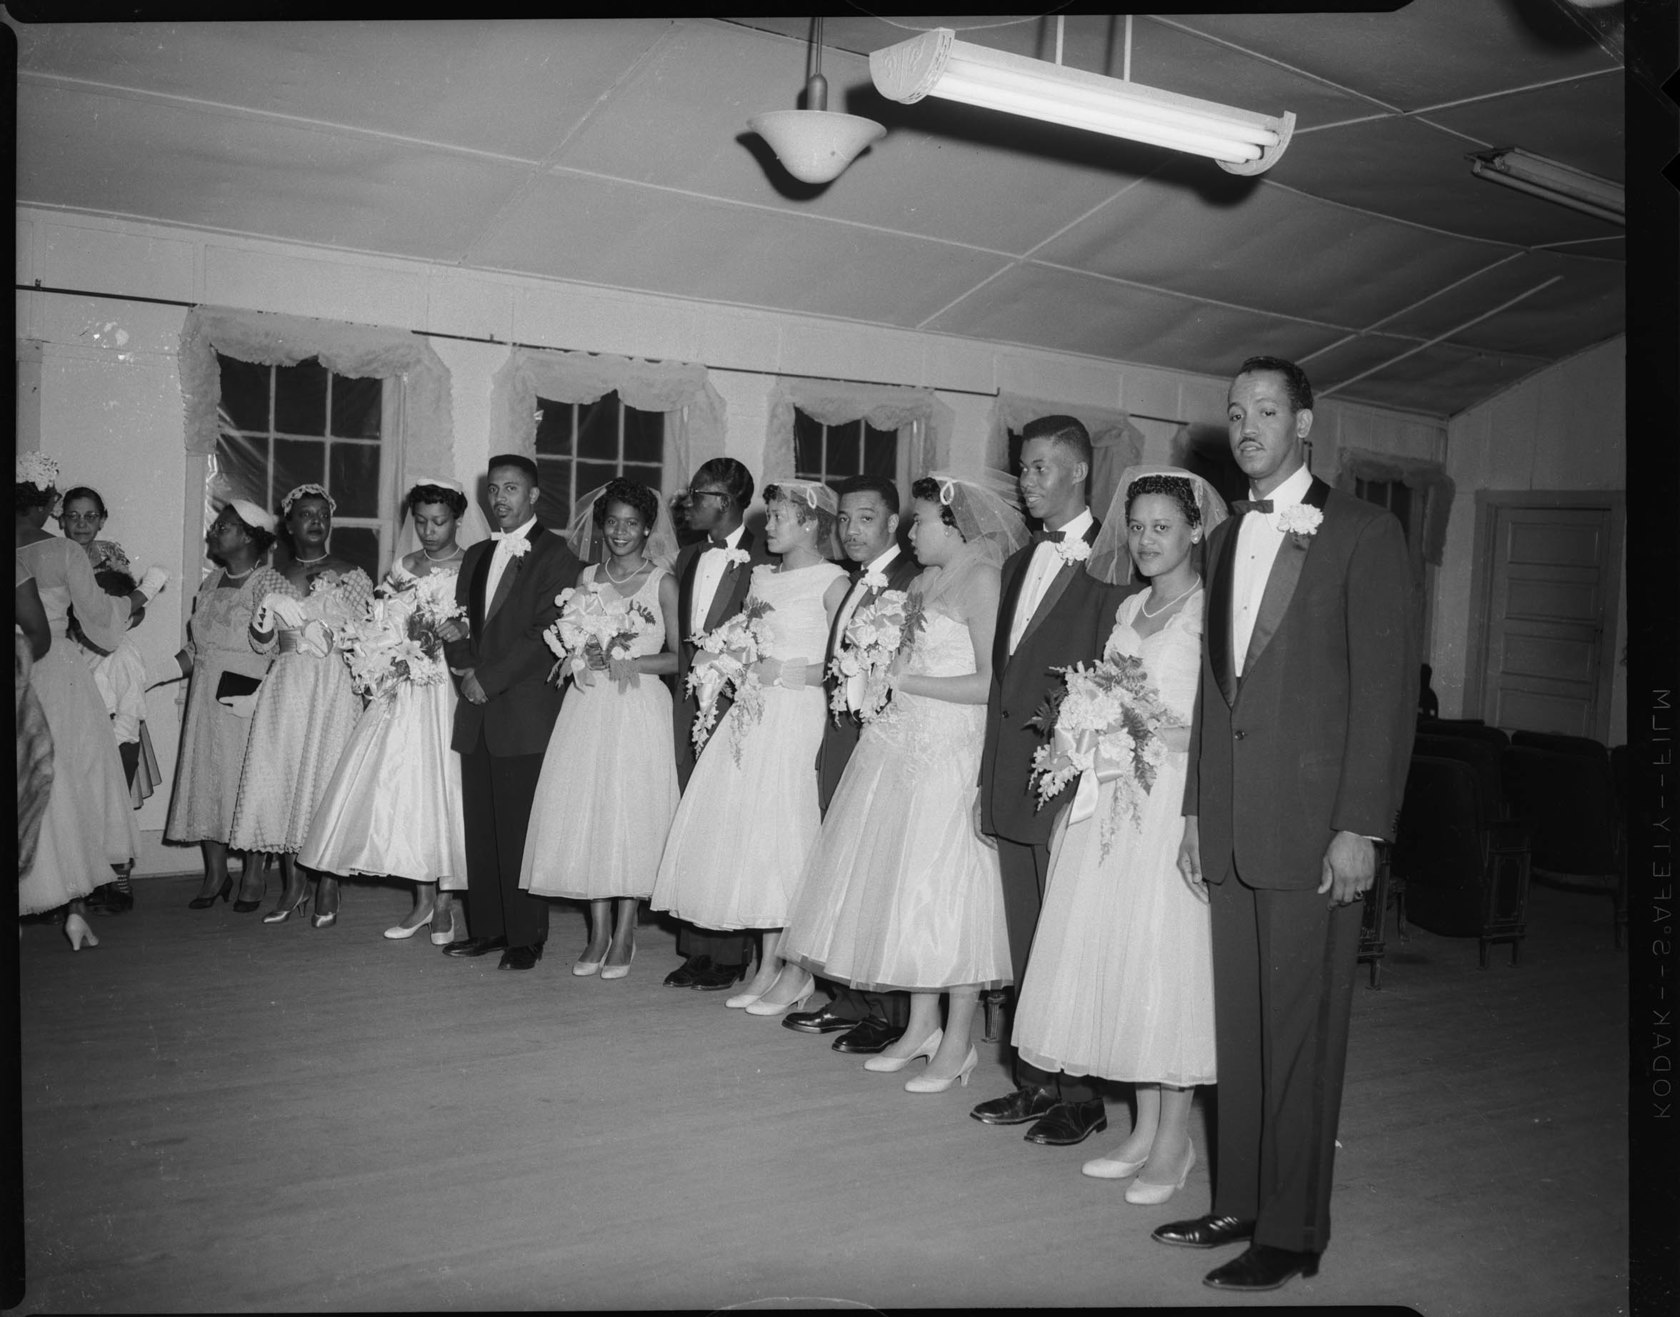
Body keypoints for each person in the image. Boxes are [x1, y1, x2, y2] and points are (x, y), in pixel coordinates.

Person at [1162, 356, 1414, 1292]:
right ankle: (1242, 1198)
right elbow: (1210, 688)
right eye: (1236, 412)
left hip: (1315, 832)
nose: (1249, 425)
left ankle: (1295, 1228)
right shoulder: (1224, 540)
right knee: (1243, 1028)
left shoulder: (1364, 531)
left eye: (1267, 409)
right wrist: (1194, 807)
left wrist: (1361, 826)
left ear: (1306, 423)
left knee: (1303, 1034)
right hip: (1229, 824)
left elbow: (1385, 697)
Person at [1012, 468, 1229, 1204]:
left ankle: (1176, 1141)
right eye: (1136, 526)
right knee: (1121, 957)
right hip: (1113, 799)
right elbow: (1104, 686)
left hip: (1171, 800)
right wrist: (1086, 723)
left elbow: (1226, 725)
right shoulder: (1130, 605)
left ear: (1196, 530)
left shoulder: (1212, 612)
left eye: (1162, 526)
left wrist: (1150, 728)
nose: (1144, 540)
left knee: (1165, 962)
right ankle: (1139, 1127)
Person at [782, 474, 1025, 1091]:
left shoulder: (982, 580)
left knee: (949, 896)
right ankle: (922, 1026)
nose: (911, 533)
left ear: (955, 524)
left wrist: (905, 682)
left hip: (951, 749)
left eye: (919, 522)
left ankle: (960, 1040)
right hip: (902, 743)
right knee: (904, 888)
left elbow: (991, 684)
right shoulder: (918, 584)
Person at [971, 416, 1128, 1147]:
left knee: (1068, 942)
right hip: (1010, 776)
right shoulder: (1014, 563)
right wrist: (985, 780)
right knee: (1026, 936)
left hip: (1069, 783)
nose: (1026, 482)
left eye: (1039, 469)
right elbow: (1005, 682)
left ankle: (1082, 1094)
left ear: (1077, 472)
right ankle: (1034, 1081)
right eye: (1024, 469)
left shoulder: (1115, 563)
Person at [651, 480, 848, 1013]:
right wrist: (729, 658)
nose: (771, 524)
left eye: (781, 515)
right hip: (751, 712)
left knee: (784, 831)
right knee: (751, 833)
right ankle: (766, 963)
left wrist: (784, 672)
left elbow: (847, 667)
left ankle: (795, 969)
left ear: (810, 523)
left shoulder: (832, 581)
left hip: (795, 713)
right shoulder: (761, 575)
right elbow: (748, 638)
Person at [298, 480, 489, 942]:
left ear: (457, 520)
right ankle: (423, 899)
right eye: (420, 521)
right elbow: (381, 621)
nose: (428, 530)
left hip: (448, 686)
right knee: (410, 790)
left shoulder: (472, 566)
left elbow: (486, 622)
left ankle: (446, 903)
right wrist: (388, 653)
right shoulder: (403, 566)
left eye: (438, 522)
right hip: (405, 685)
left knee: (445, 788)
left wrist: (460, 627)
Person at [782, 474, 921, 1055]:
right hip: (842, 736)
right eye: (843, 519)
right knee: (843, 864)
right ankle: (851, 994)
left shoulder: (910, 582)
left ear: (893, 522)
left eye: (865, 518)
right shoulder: (858, 583)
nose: (852, 529)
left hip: (884, 741)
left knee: (874, 868)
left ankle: (886, 1010)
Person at [520, 480, 680, 979]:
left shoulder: (663, 582)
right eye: (612, 521)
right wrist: (581, 653)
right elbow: (576, 639)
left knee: (630, 811)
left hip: (638, 704)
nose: (619, 532)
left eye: (631, 523)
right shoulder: (587, 576)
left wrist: (627, 659)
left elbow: (680, 656)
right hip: (590, 707)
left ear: (648, 528)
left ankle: (626, 931)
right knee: (591, 809)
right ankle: (597, 930)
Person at [15, 453, 164, 950]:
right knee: (71, 781)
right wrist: (145, 592)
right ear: (51, 503)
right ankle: (74, 909)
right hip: (54, 668)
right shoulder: (62, 553)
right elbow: (102, 618)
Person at [441, 455, 583, 971]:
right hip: (476, 708)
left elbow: (545, 632)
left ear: (534, 495)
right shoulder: (477, 553)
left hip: (521, 710)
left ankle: (525, 937)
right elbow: (456, 624)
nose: (501, 498)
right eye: (494, 489)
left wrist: (490, 679)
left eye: (512, 489)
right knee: (480, 826)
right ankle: (487, 929)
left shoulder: (558, 556)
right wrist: (464, 670)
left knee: (520, 829)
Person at [230, 484, 372, 927]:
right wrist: (265, 615)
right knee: (288, 778)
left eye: (322, 514)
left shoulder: (352, 574)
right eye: (305, 514)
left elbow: (367, 638)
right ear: (288, 525)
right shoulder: (272, 578)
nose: (315, 521)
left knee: (327, 777)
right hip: (289, 685)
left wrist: (337, 640)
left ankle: (328, 881)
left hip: (334, 684)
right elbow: (261, 645)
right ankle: (293, 882)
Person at [663, 458, 775, 992]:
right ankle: (697, 948)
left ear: (726, 502)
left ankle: (729, 953)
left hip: (737, 705)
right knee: (690, 817)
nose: (689, 502)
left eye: (699, 494)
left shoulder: (767, 559)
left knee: (727, 824)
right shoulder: (688, 556)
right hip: (690, 701)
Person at [164, 499, 291, 908]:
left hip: (247, 696)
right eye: (217, 525)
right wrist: (154, 674)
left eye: (225, 526)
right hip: (204, 696)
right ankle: (216, 874)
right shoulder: (211, 581)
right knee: (207, 778)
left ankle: (254, 874)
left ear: (251, 537)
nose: (214, 531)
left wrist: (266, 695)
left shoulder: (270, 583)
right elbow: (197, 648)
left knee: (247, 781)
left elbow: (288, 648)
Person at [73, 565, 166, 914]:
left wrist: (109, 749)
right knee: (90, 815)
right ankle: (96, 880)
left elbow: (130, 711)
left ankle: (120, 883)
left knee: (114, 814)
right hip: (88, 741)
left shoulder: (124, 654)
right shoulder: (84, 648)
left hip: (116, 744)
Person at [56, 485, 131, 574]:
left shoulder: (110, 552)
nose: (81, 524)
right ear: (63, 520)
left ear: (101, 521)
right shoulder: (53, 557)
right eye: (73, 516)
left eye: (90, 516)